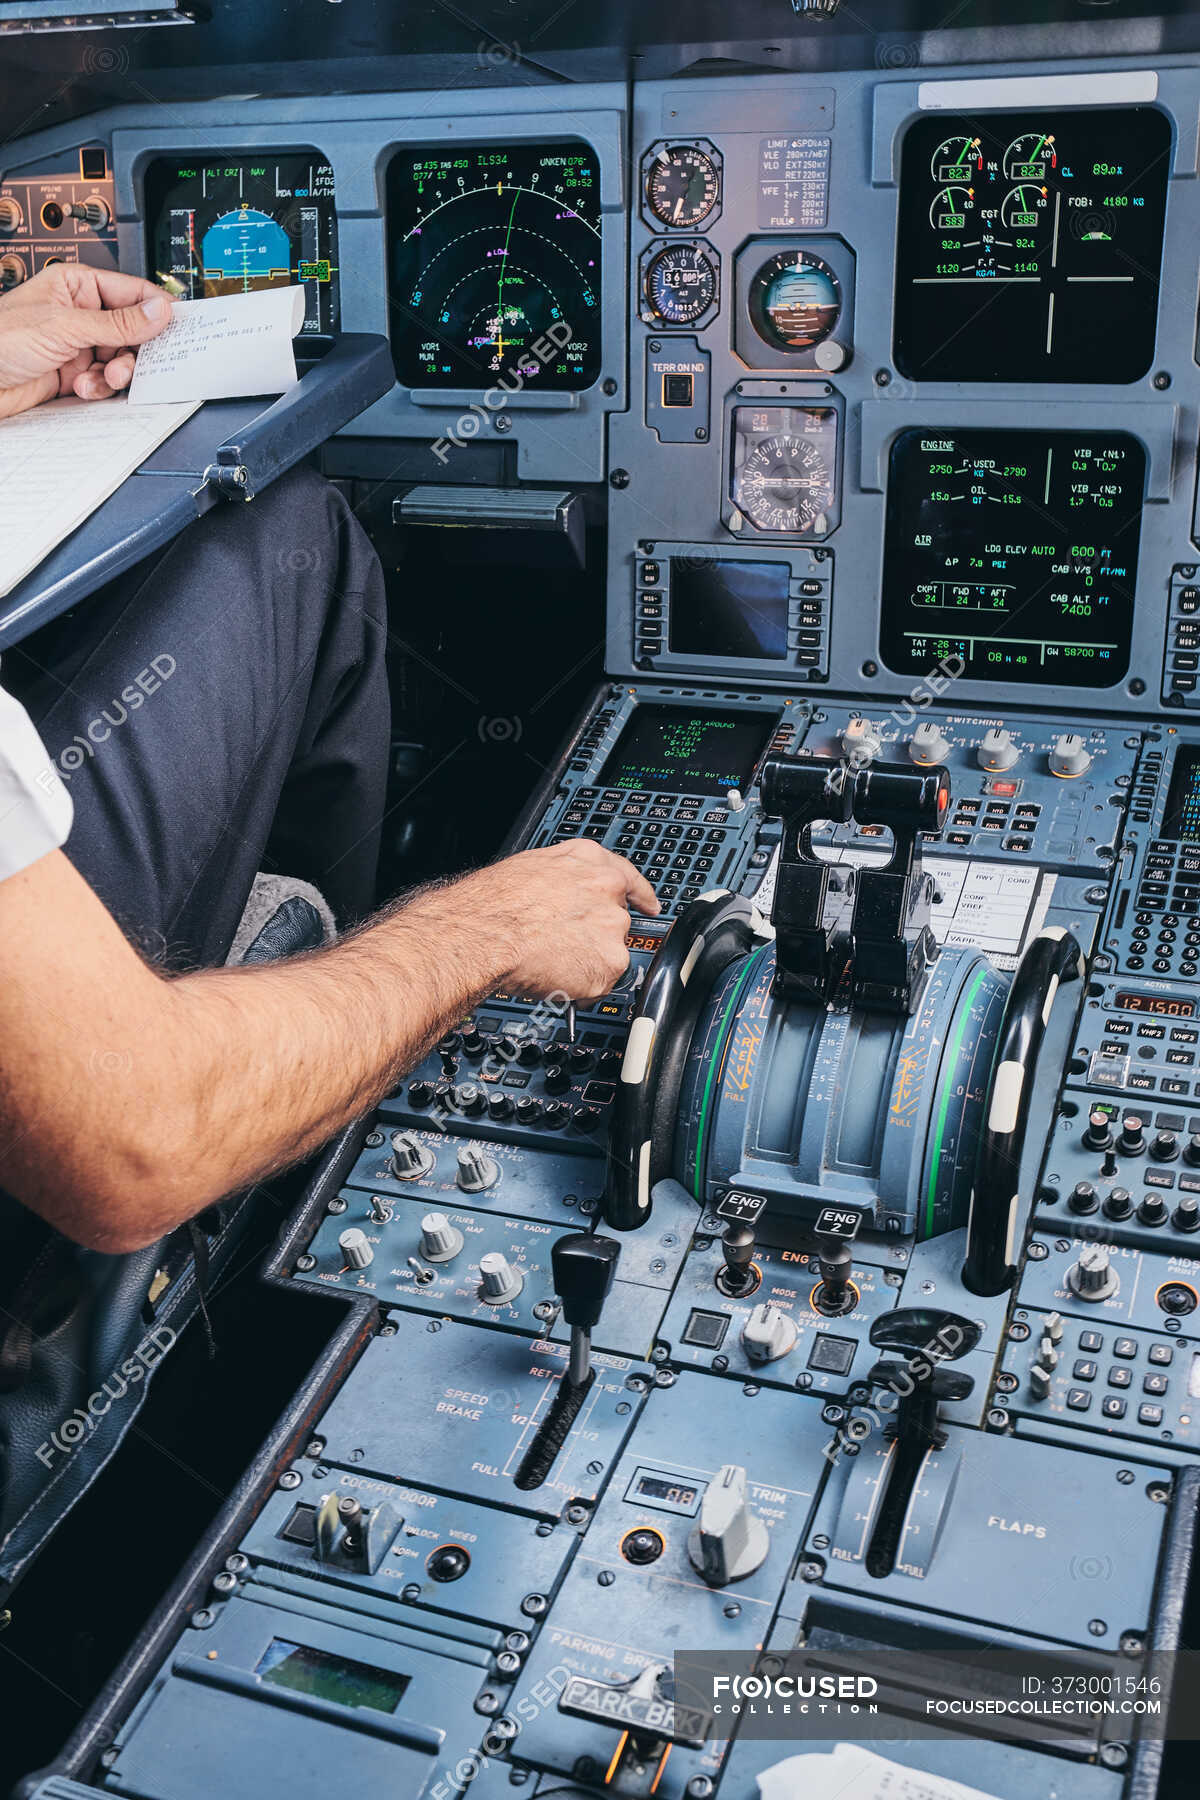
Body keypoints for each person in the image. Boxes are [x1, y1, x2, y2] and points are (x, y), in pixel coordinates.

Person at [0, 264, 657, 1259]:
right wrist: (477, 930)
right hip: (63, 1215)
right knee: (283, 526)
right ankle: (284, 1144)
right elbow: (133, 1144)